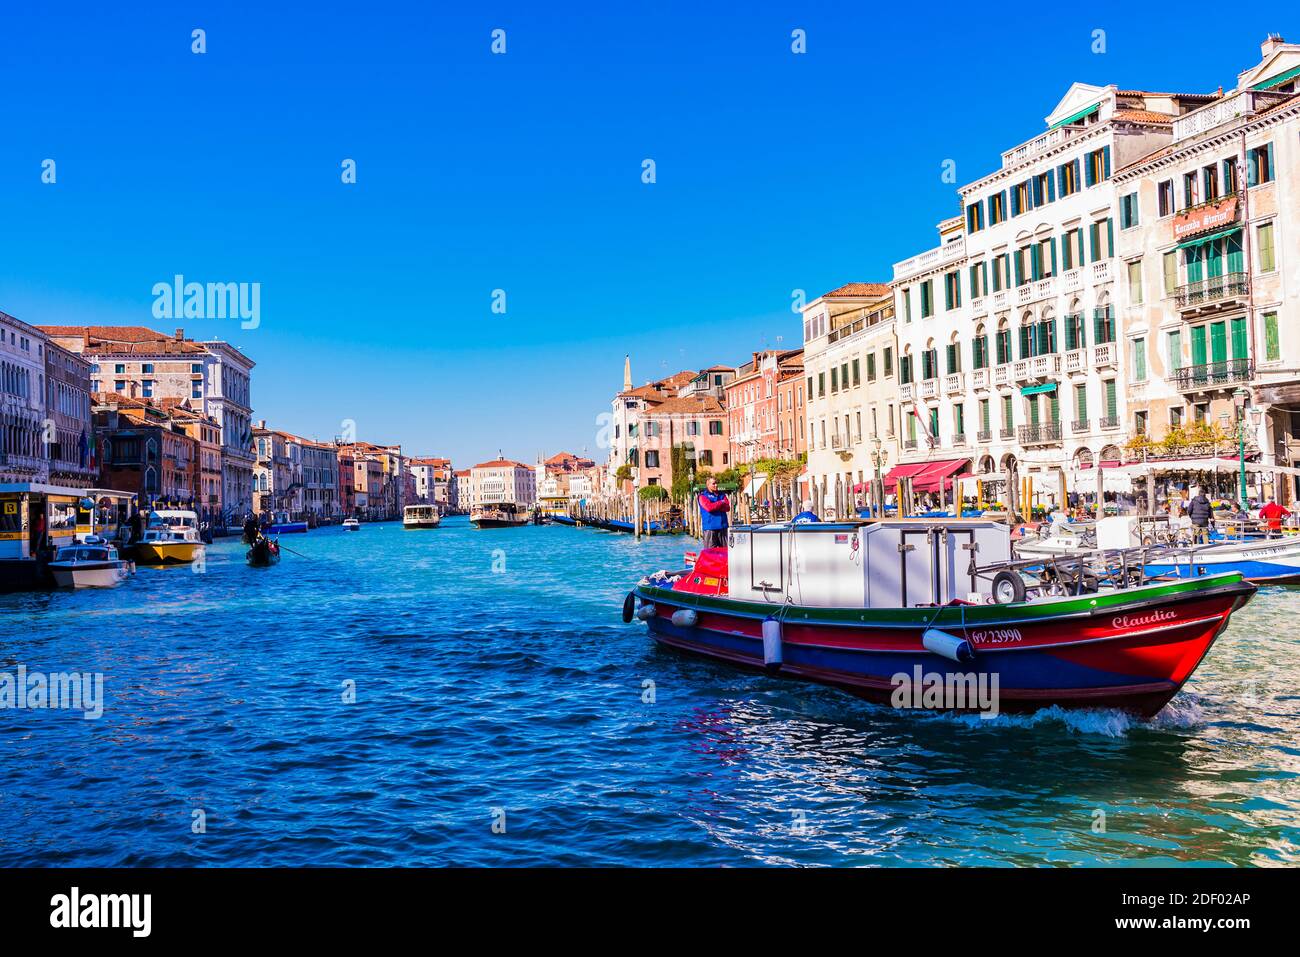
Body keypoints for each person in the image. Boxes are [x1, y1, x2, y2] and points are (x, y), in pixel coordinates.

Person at [697, 477, 731, 549]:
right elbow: (709, 508)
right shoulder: (703, 496)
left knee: (726, 551)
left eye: (716, 483)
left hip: (723, 527)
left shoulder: (722, 495)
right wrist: (721, 502)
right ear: (708, 485)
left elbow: (727, 507)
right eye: (713, 484)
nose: (716, 485)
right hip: (710, 528)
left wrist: (715, 505)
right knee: (710, 552)